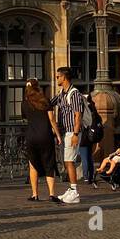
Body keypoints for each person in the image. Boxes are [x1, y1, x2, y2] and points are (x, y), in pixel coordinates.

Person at [22, 79, 60, 202]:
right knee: (49, 163)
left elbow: (25, 118)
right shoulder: (45, 101)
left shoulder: (24, 103)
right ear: (38, 87)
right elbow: (52, 119)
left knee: (33, 164)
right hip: (46, 136)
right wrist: (58, 135)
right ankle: (52, 194)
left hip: (31, 136)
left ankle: (35, 194)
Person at [53, 67, 84, 205]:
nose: (57, 79)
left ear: (64, 78)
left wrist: (76, 134)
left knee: (69, 161)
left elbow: (78, 115)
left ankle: (75, 191)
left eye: (58, 76)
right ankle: (71, 189)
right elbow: (50, 103)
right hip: (66, 131)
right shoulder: (62, 93)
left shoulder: (74, 93)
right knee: (67, 160)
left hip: (72, 131)